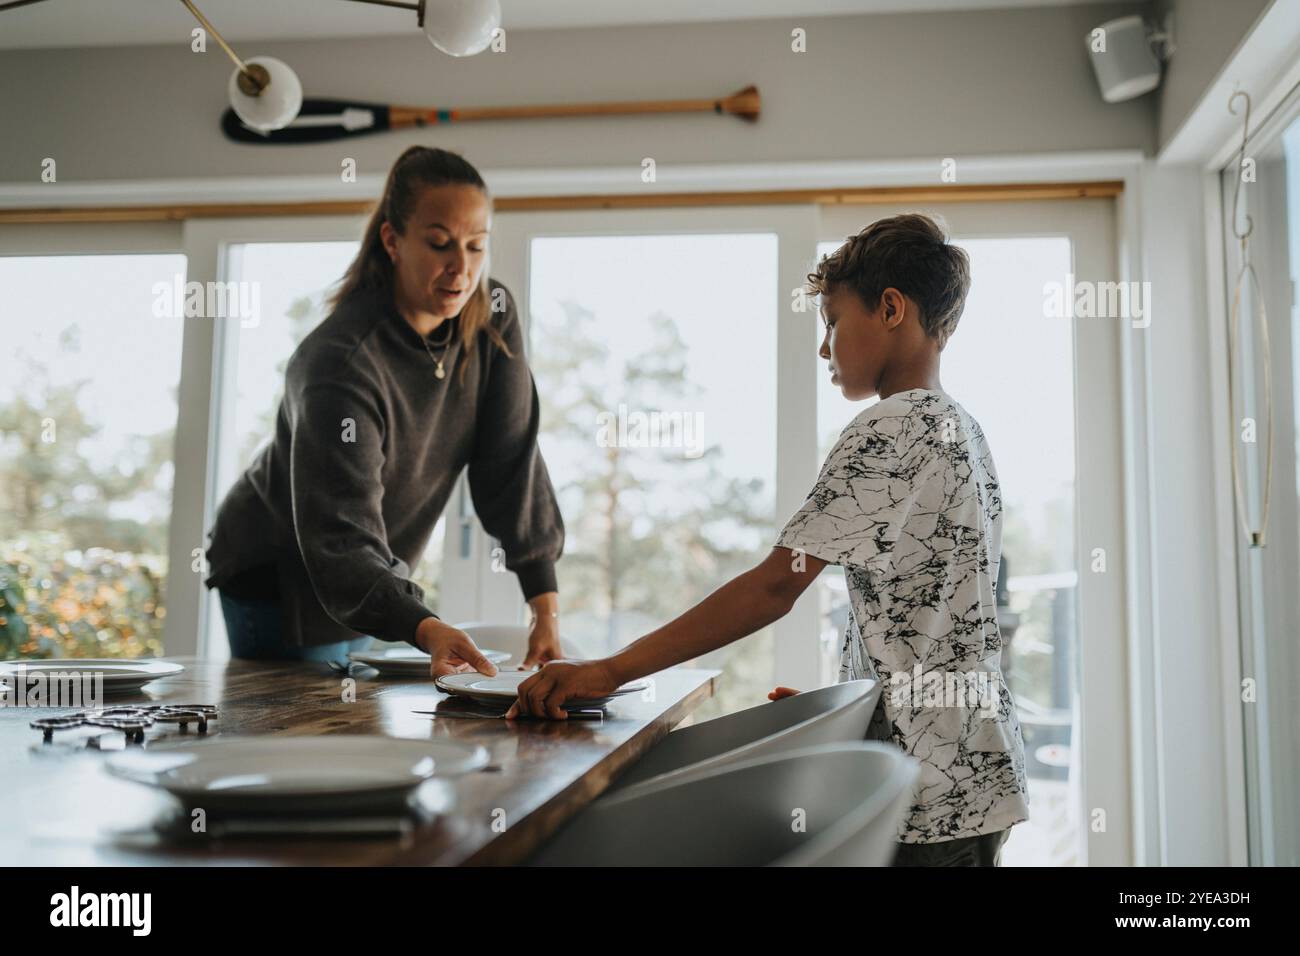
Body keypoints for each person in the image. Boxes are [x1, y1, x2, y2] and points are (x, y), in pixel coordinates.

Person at [508, 213, 1029, 866]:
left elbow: (776, 585)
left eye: (833, 323)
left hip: (926, 792)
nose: (824, 348)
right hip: (973, 769)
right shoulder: (961, 429)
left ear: (891, 308)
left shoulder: (891, 427)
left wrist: (608, 671)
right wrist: (844, 709)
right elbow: (929, 617)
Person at [204, 146, 563, 674]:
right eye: (440, 244)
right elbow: (341, 537)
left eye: (476, 246)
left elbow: (510, 461)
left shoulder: (491, 320)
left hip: (362, 569)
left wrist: (544, 606)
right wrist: (425, 625)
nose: (461, 269)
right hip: (281, 573)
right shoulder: (340, 365)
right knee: (310, 739)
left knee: (352, 722)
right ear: (392, 241)